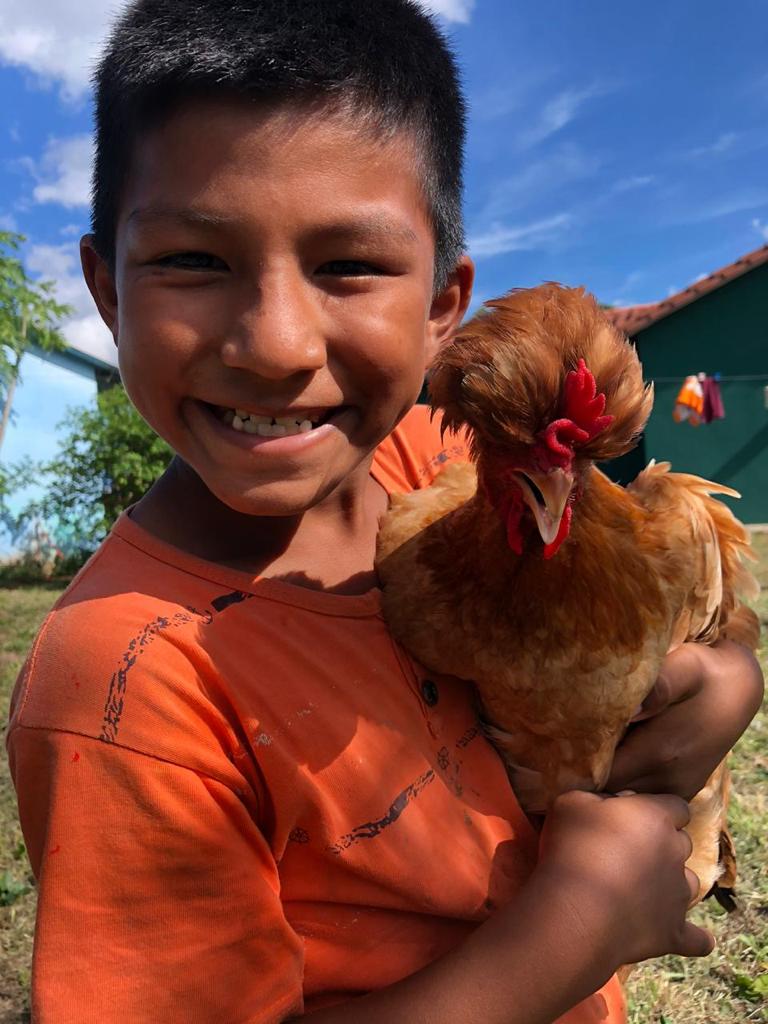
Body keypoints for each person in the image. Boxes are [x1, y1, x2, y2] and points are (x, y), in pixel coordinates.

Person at [4, 2, 763, 1022]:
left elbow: (665, 639)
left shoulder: (435, 467)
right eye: (194, 260)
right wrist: (569, 929)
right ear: (104, 287)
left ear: (444, 303)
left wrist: (722, 689)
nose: (275, 344)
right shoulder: (130, 683)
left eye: (347, 266)